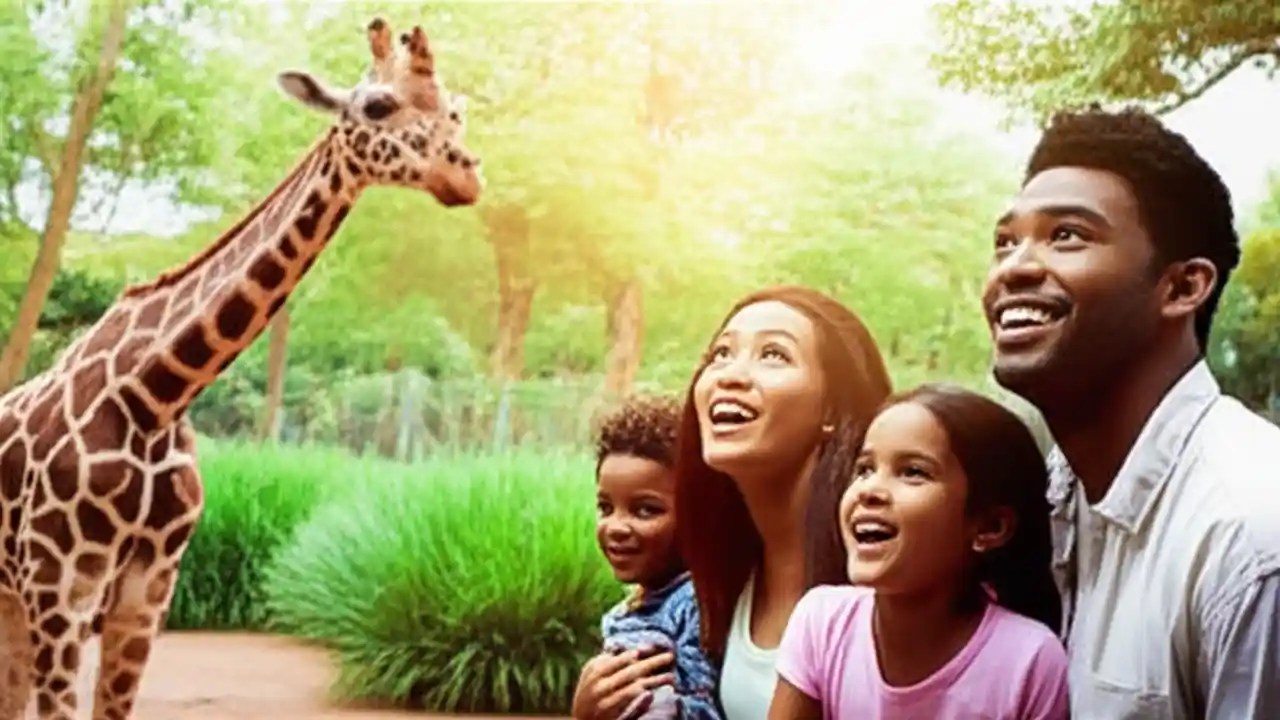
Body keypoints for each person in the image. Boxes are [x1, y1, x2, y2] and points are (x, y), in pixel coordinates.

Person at [983, 105, 1280, 718]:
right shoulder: (1053, 494)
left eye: (1067, 235)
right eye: (1006, 242)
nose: (1015, 267)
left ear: (1181, 288)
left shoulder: (1249, 538)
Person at [768, 383, 1069, 719]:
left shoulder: (1030, 662)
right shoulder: (822, 624)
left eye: (913, 472)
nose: (870, 490)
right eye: (865, 469)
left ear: (990, 527)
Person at [678, 285, 893, 719]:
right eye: (721, 353)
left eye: (773, 354)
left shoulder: (886, 582)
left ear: (831, 410)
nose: (729, 375)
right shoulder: (711, 588)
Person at [572, 393, 721, 719]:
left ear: (698, 514)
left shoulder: (695, 606)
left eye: (645, 510)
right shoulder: (624, 614)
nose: (616, 527)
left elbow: (700, 706)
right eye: (605, 508)